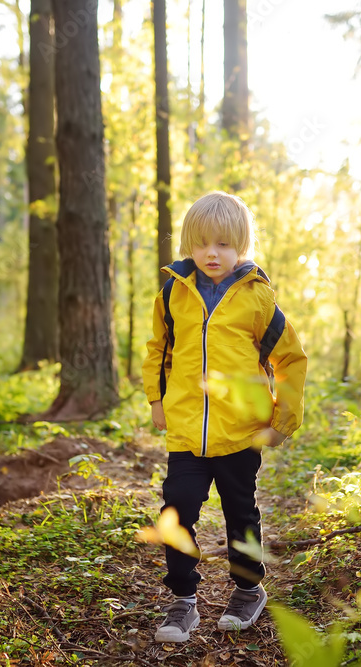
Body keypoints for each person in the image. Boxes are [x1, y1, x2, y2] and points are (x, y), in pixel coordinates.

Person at [142, 191, 308, 643]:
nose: (211, 253)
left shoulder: (257, 299)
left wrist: (281, 420)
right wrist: (157, 400)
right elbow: (160, 350)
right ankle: (182, 601)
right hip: (186, 433)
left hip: (240, 433)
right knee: (177, 509)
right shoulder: (174, 292)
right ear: (188, 245)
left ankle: (248, 590)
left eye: (223, 244)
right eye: (202, 244)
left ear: (241, 247)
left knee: (241, 511)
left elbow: (290, 359)